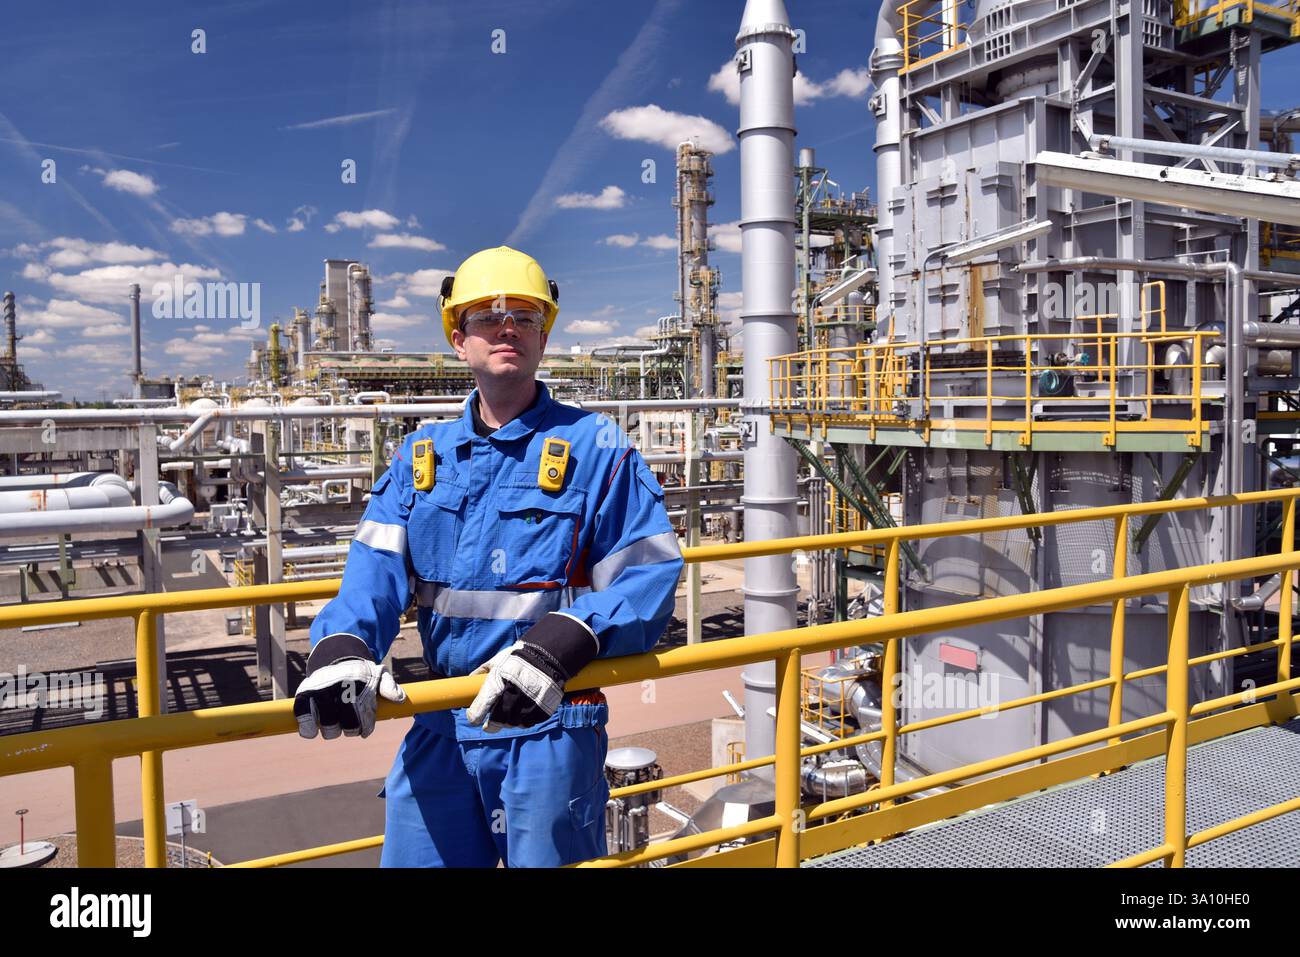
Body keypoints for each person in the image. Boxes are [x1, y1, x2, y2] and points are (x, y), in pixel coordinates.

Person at [293, 245, 684, 867]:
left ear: (543, 337)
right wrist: (342, 646)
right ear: (458, 337)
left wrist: (563, 641)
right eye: (486, 318)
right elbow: (375, 569)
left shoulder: (597, 448)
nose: (508, 330)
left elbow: (649, 573)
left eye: (526, 317)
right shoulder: (423, 456)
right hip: (442, 719)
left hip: (550, 722)